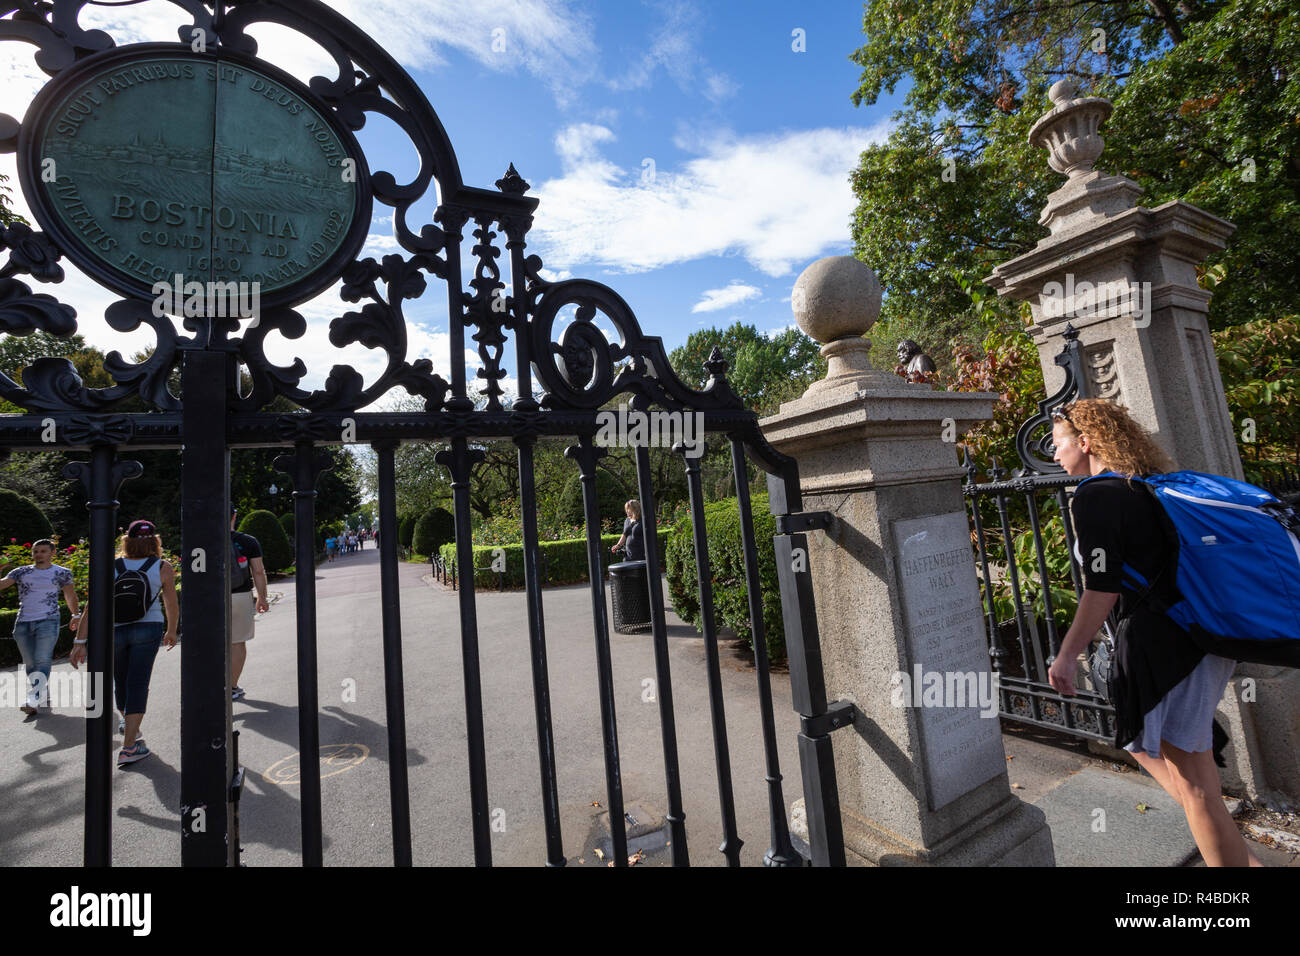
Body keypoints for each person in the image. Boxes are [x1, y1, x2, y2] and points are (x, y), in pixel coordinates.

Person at [1046, 399, 1260, 867]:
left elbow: (1101, 588)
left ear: (1085, 442)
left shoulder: (1095, 495)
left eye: (1058, 443)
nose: (1055, 454)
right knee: (1158, 757)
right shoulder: (1145, 487)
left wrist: (1066, 656)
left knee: (1196, 784)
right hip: (1196, 636)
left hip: (1164, 645)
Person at [70, 519, 178, 766]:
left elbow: (92, 605)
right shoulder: (162, 566)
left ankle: (130, 726)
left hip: (114, 629)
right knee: (138, 682)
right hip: (148, 627)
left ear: (126, 541)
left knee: (121, 679)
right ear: (155, 541)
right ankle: (130, 745)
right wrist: (172, 630)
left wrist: (80, 641)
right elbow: (171, 602)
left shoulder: (112, 566)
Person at [1, 539, 81, 715]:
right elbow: (2, 584)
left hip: (48, 620)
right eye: (36, 551)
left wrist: (75, 615)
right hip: (23, 622)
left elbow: (70, 595)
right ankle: (41, 692)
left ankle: (34, 697)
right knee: (30, 663)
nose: (38, 554)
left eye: (43, 551)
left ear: (52, 553)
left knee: (42, 659)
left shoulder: (62, 572)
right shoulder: (20, 572)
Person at [230, 506, 270, 702]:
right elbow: (258, 571)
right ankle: (231, 687)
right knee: (237, 642)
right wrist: (262, 597)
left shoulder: (205, 539)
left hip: (211, 599)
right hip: (240, 595)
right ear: (234, 516)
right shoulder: (248, 541)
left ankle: (214, 683)